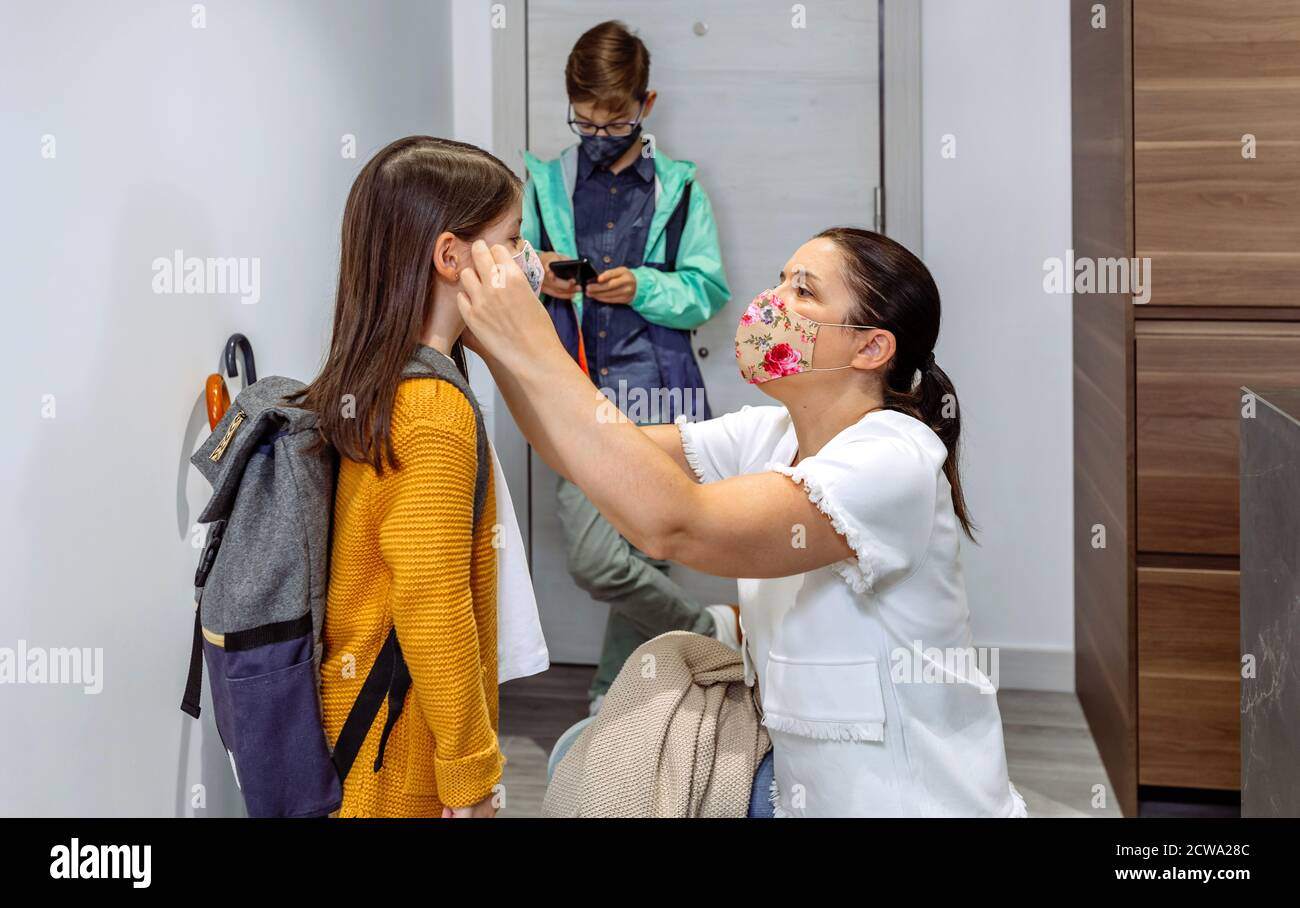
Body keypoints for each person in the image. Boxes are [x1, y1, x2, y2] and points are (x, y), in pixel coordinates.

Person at [456, 227, 1027, 817]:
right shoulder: (770, 433)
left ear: (870, 349)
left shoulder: (891, 460)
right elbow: (580, 448)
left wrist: (535, 342)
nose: (771, 302)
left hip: (908, 802)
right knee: (581, 751)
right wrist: (496, 343)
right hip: (799, 786)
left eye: (803, 292)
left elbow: (677, 527)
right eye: (779, 280)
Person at [301, 136, 544, 818]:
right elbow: (433, 607)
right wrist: (471, 775)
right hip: (398, 754)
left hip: (367, 731)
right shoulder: (431, 409)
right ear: (450, 257)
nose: (526, 262)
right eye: (511, 240)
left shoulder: (380, 382)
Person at [521, 20, 734, 711]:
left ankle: (611, 708)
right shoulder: (544, 183)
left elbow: (706, 289)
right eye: (586, 124)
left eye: (614, 123)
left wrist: (643, 286)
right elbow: (510, 270)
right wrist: (540, 274)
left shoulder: (680, 189)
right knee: (596, 559)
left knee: (648, 555)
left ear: (646, 103)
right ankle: (707, 636)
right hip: (576, 392)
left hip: (660, 396)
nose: (600, 137)